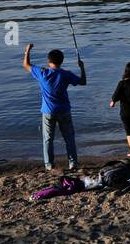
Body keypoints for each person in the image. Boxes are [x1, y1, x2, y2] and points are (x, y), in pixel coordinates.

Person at [23, 44, 86, 172]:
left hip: (48, 111)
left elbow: (26, 65)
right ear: (61, 61)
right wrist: (82, 68)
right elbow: (83, 82)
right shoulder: (66, 74)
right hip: (64, 110)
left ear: (48, 61)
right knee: (69, 138)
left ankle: (49, 164)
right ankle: (73, 163)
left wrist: (27, 51)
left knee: (48, 139)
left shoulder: (42, 73)